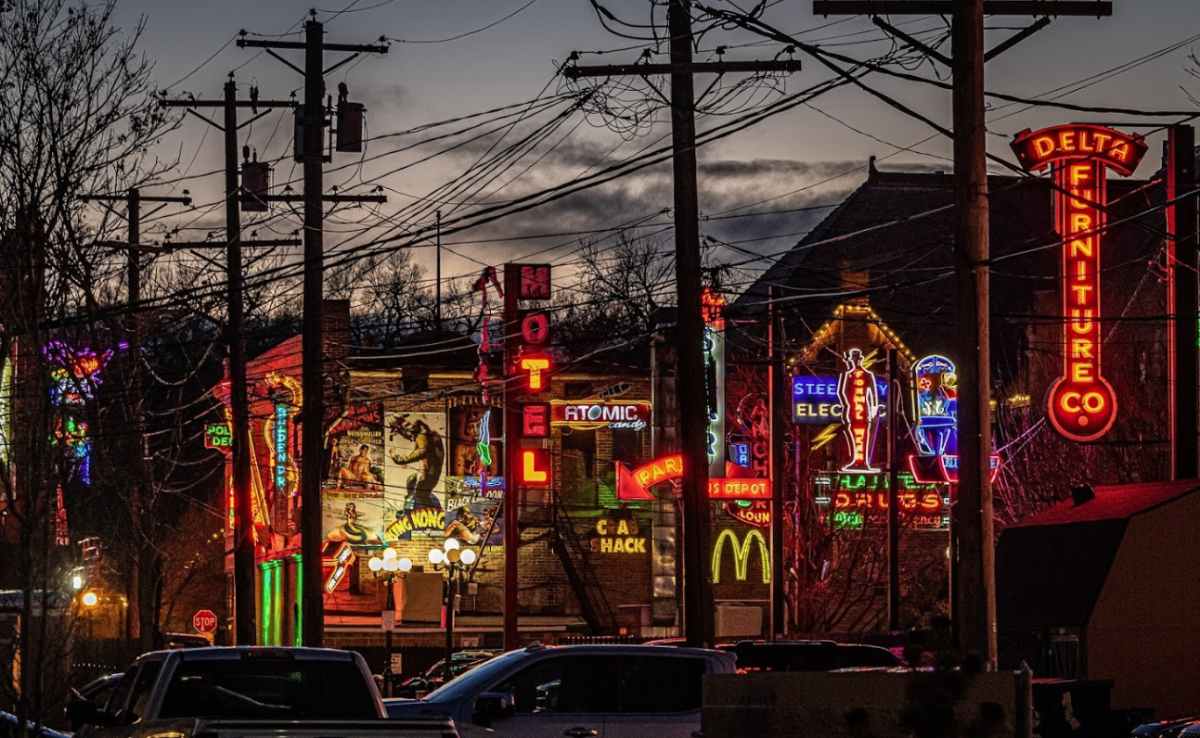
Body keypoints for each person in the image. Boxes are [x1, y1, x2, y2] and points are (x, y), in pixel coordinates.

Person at [389, 415, 445, 511]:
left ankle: (432, 514)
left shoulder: (424, 439)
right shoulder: (425, 433)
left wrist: (398, 459)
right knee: (411, 481)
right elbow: (410, 435)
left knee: (421, 494)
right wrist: (399, 430)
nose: (408, 434)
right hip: (428, 472)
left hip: (429, 476)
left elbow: (420, 452)